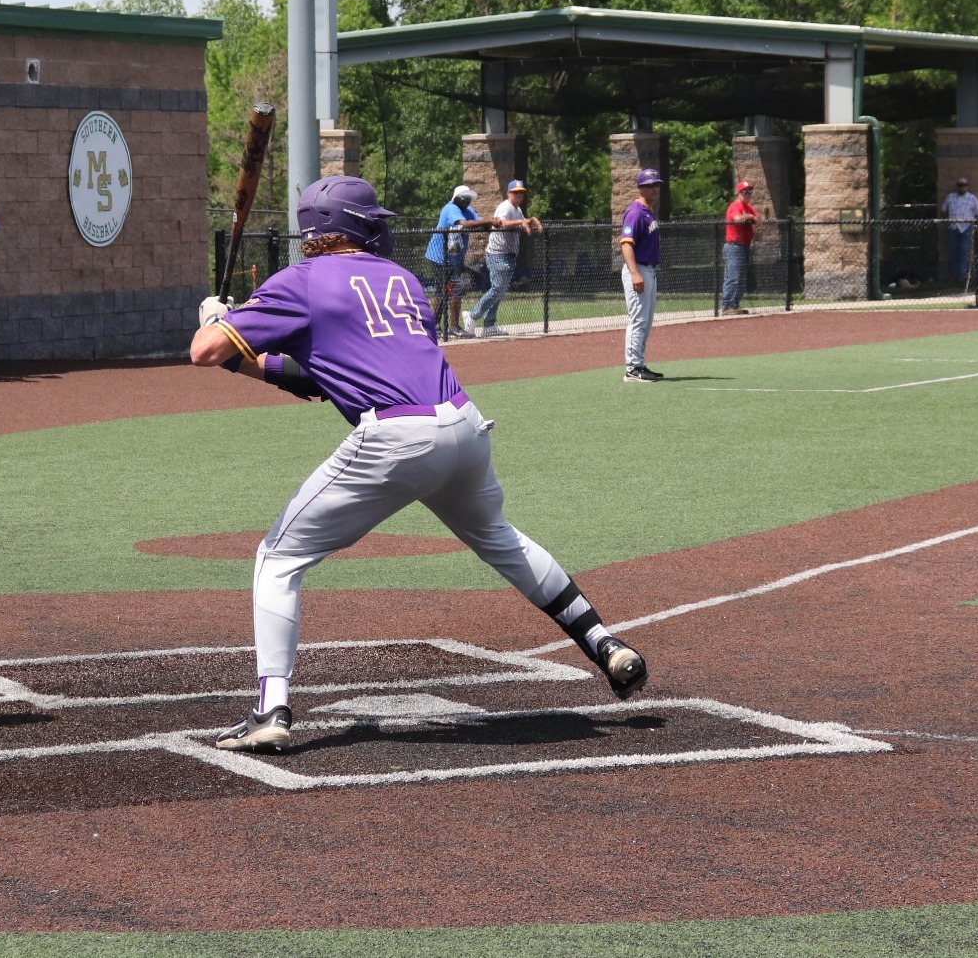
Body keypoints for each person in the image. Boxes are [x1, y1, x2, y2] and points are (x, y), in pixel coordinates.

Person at [189, 176, 648, 753]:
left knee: (277, 558)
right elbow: (314, 378)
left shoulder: (301, 279)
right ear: (352, 225)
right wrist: (240, 352)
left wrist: (217, 325)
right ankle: (604, 643)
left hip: (396, 438)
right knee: (501, 540)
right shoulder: (402, 280)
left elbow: (201, 353)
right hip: (462, 424)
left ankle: (271, 709)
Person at [462, 178, 540, 337]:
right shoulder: (506, 207)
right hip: (498, 254)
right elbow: (502, 223)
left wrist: (529, 223)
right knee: (498, 288)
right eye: (516, 192)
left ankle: (489, 325)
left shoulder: (517, 210)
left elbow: (521, 223)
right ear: (508, 193)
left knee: (500, 289)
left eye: (521, 193)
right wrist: (522, 221)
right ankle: (472, 315)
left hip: (508, 255)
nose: (519, 195)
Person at [422, 185, 492, 338]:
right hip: (439, 257)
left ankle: (449, 326)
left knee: (453, 290)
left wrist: (487, 223)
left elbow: (480, 223)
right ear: (456, 197)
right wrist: (488, 221)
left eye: (468, 198)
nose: (466, 201)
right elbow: (464, 224)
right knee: (445, 290)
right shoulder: (451, 208)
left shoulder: (468, 211)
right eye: (463, 197)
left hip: (455, 259)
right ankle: (439, 325)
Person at [619, 168, 665, 382]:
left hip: (648, 270)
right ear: (640, 188)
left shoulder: (648, 211)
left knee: (646, 321)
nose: (655, 188)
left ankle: (639, 364)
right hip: (637, 269)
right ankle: (632, 368)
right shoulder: (636, 212)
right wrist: (635, 273)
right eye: (650, 185)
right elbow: (626, 245)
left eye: (656, 184)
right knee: (638, 320)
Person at [721, 180, 760, 315]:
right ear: (739, 193)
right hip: (734, 246)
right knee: (733, 276)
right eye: (745, 192)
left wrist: (751, 217)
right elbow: (737, 218)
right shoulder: (735, 206)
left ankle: (735, 305)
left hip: (745, 246)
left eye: (750, 192)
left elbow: (759, 220)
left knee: (742, 277)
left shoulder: (748, 207)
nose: (748, 195)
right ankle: (728, 306)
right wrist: (750, 217)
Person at [941, 176, 978, 282]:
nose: (962, 188)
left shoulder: (972, 198)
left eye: (964, 186)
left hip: (966, 227)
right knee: (953, 251)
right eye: (960, 186)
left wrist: (973, 223)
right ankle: (955, 275)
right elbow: (943, 210)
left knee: (963, 250)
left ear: (967, 187)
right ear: (957, 186)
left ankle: (962, 275)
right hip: (953, 226)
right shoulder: (950, 197)